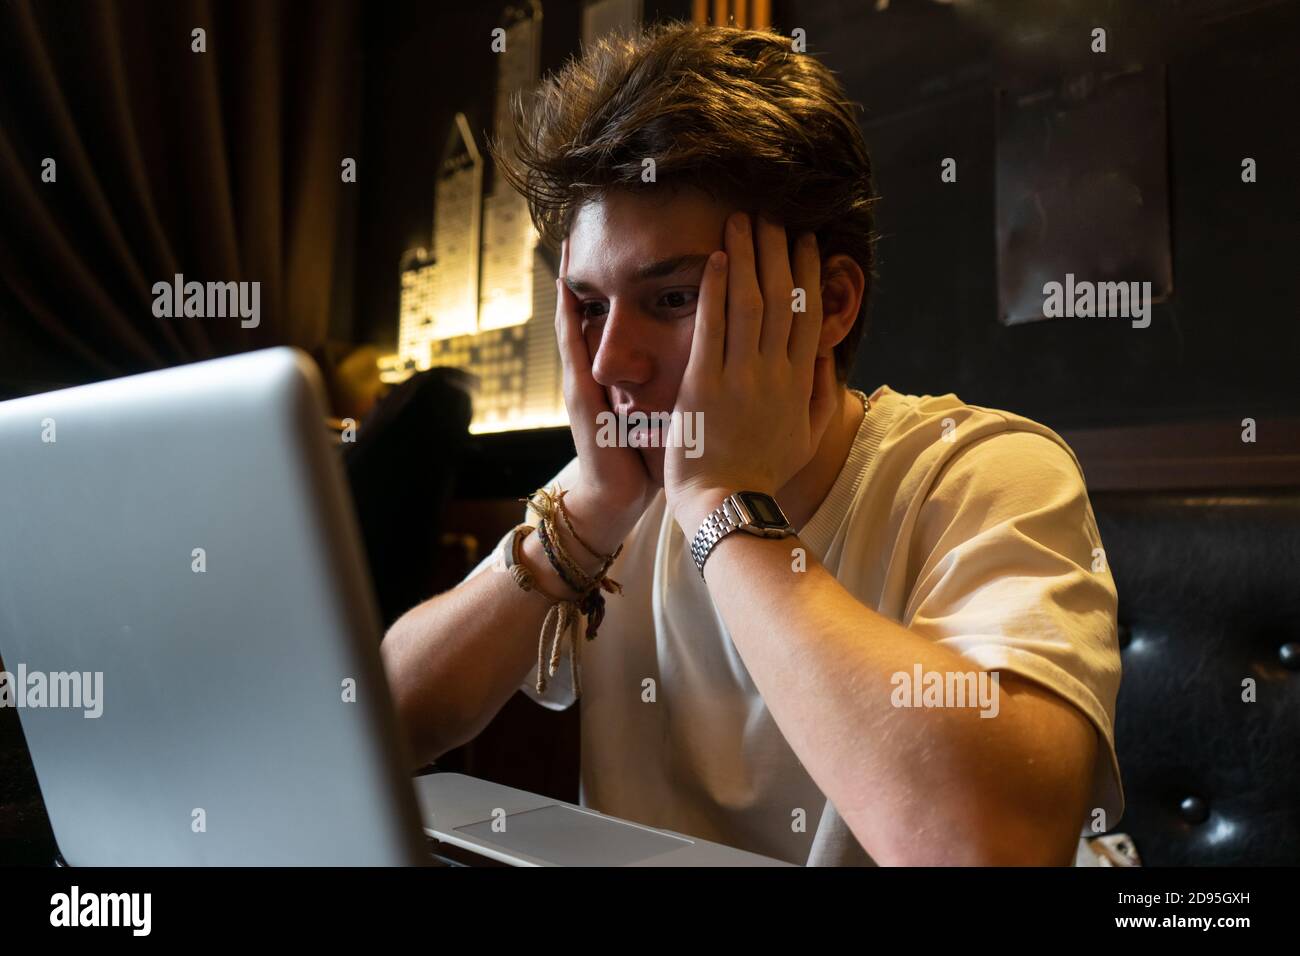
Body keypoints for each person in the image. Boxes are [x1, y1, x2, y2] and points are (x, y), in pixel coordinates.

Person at [381, 21, 1124, 866]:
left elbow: (988, 847)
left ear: (829, 303)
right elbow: (386, 722)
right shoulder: (619, 485)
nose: (612, 360)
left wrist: (722, 504)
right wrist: (584, 515)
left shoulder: (984, 472)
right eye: (588, 306)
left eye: (671, 299)